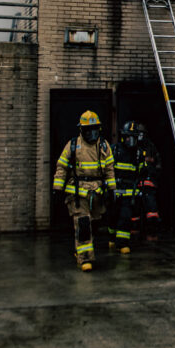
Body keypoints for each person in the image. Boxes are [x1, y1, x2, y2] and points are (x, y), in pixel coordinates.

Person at [52, 110, 116, 271]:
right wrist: (57, 188)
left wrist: (112, 189)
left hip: (97, 193)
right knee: (83, 224)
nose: (92, 133)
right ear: (82, 130)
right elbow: (62, 167)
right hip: (78, 194)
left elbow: (109, 169)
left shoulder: (104, 145)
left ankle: (80, 249)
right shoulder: (73, 145)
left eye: (95, 129)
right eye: (89, 129)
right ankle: (85, 258)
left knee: (93, 225)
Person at [109, 121, 145, 253]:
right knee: (112, 216)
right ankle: (112, 238)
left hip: (130, 193)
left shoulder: (138, 154)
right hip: (115, 191)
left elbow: (142, 172)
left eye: (134, 137)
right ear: (123, 136)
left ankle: (122, 244)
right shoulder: (115, 150)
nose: (131, 140)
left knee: (125, 216)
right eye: (129, 137)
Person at [132, 122, 162, 239]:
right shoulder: (132, 147)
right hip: (135, 184)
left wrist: (153, 174)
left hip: (149, 184)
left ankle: (152, 233)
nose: (140, 136)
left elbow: (158, 164)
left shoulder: (151, 147)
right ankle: (134, 231)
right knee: (134, 209)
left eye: (142, 133)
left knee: (151, 211)